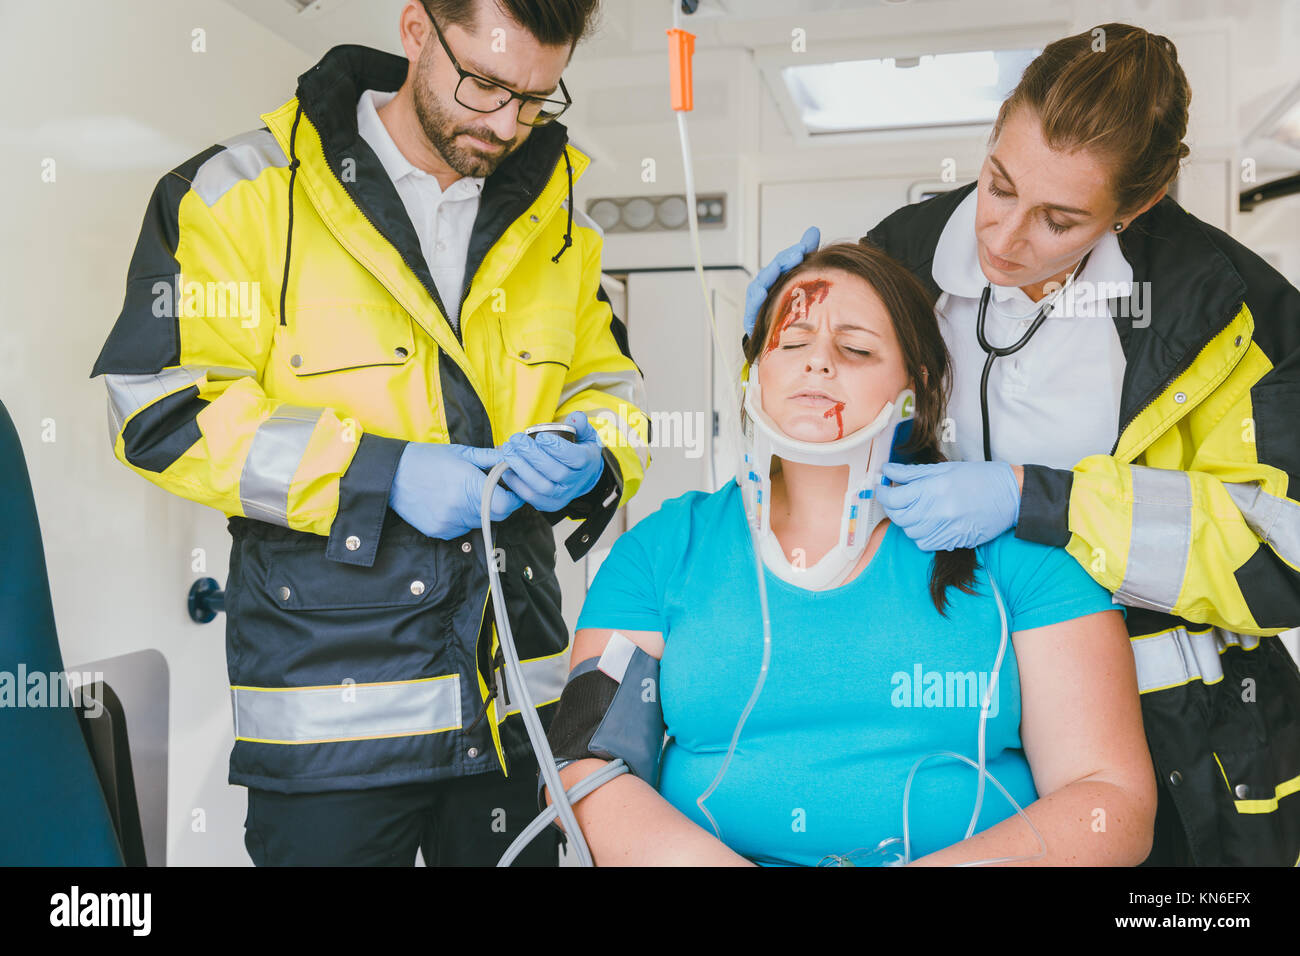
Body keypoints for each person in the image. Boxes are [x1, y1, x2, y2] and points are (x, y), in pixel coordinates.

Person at [88, 0, 651, 866]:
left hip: (515, 717)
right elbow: (160, 407)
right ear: (417, 29)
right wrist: (379, 476)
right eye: (485, 84)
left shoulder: (560, 215)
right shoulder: (241, 192)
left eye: (537, 98)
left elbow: (609, 385)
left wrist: (594, 452)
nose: (508, 123)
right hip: (332, 731)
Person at [744, 23, 1300, 867]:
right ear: (997, 127)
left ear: (1135, 207)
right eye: (998, 184)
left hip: (1176, 733)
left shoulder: (1232, 312)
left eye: (1059, 219)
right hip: (951, 703)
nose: (1002, 238)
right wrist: (770, 350)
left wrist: (1043, 498)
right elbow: (822, 435)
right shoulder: (903, 254)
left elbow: (1278, 552)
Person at [541, 242, 1156, 866]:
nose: (818, 363)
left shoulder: (1019, 550)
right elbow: (585, 764)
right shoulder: (661, 548)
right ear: (756, 369)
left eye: (856, 349)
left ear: (913, 388)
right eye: (793, 340)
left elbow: (1110, 802)